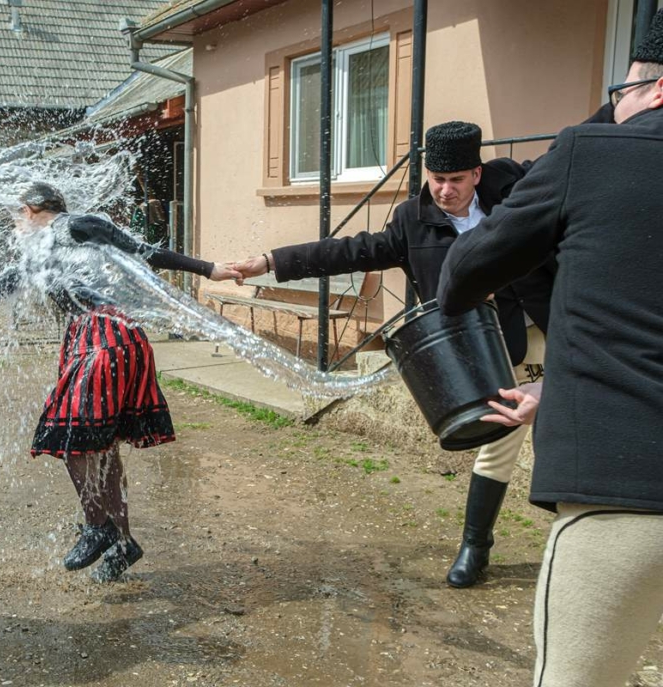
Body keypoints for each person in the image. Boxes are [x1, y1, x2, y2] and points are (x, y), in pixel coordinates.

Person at [437, 11, 663, 685]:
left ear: (654, 90)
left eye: (617, 93)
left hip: (624, 494)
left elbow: (459, 279)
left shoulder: (590, 152)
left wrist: (592, 136)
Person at [233, 121, 555, 588]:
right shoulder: (412, 220)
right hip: (489, 346)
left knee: (564, 434)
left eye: (456, 180)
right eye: (437, 179)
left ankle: (571, 543)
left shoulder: (515, 189)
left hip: (544, 327)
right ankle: (475, 546)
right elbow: (353, 251)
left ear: (477, 175)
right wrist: (271, 261)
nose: (445, 190)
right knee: (496, 444)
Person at [0, 182, 240, 582]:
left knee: (70, 435)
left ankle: (98, 526)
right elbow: (0, 287)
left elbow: (142, 250)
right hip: (99, 340)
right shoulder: (40, 254)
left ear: (34, 209)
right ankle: (123, 544)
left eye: (17, 214)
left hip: (106, 339)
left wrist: (208, 269)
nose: (14, 223)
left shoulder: (75, 225)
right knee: (101, 449)